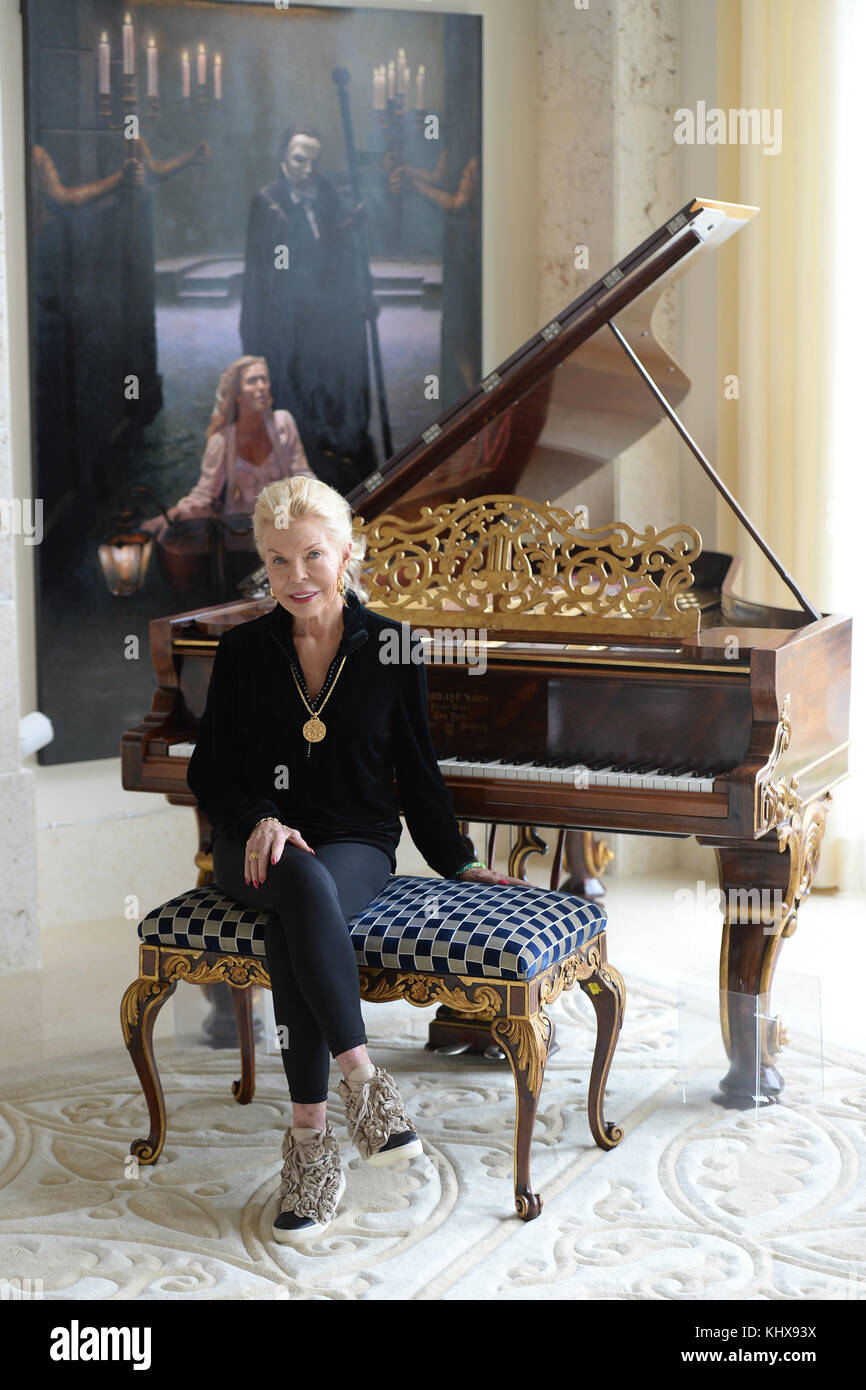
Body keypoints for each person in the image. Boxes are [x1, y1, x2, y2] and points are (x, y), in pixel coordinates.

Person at [186, 474, 527, 1245]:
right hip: (255, 840)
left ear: (347, 552)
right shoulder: (242, 650)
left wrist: (459, 862)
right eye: (277, 562)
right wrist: (260, 817)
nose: (296, 577)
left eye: (312, 555)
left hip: (355, 841)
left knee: (299, 907)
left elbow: (419, 768)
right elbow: (212, 771)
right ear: (263, 567)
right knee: (294, 878)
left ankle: (310, 1145)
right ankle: (364, 1085)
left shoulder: (393, 645)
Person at [239, 124, 379, 494]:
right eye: (299, 159)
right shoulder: (268, 202)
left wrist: (361, 287)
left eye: (313, 161)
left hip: (328, 312)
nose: (306, 169)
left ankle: (340, 458)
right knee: (296, 385)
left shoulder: (327, 193)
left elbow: (338, 252)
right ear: (283, 156)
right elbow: (266, 267)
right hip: (289, 313)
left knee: (333, 383)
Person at [140, 356, 314, 540]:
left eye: (264, 379)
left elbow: (303, 474)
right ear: (238, 395)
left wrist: (327, 503)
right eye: (252, 381)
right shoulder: (221, 442)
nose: (261, 386)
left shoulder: (284, 423)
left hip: (286, 529)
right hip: (239, 533)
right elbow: (203, 496)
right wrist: (173, 515)